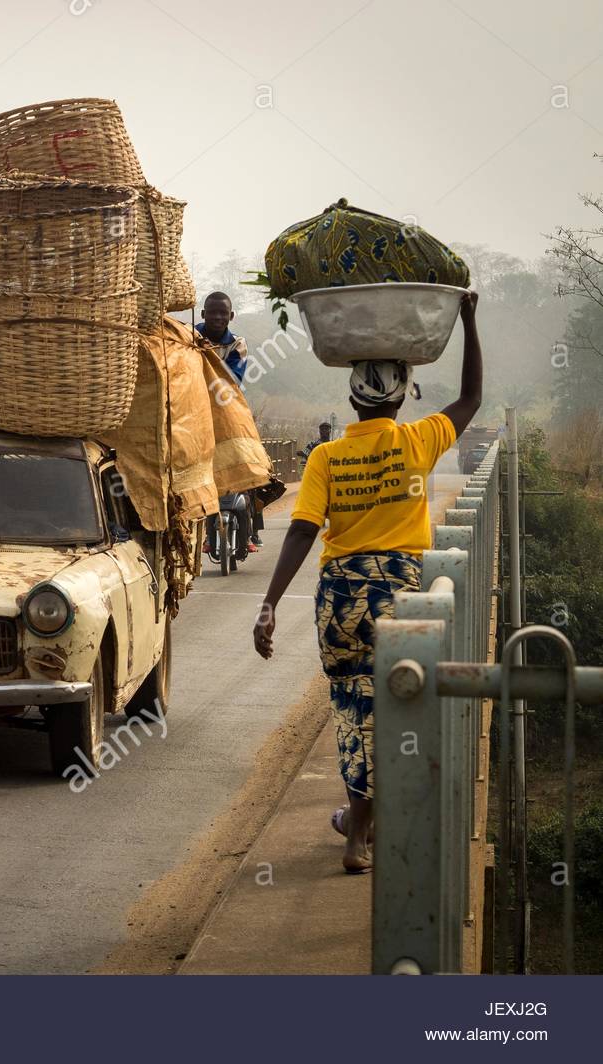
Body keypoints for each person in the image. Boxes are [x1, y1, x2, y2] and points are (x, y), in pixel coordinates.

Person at [251, 290, 482, 874]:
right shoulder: (418, 439)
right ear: (402, 396)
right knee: (395, 705)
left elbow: (302, 531)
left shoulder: (326, 457)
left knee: (353, 709)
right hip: (397, 593)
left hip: (339, 596)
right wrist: (469, 321)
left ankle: (358, 830)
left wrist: (269, 604)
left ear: (352, 399)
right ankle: (366, 829)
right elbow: (471, 397)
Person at [196, 291, 264, 550]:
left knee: (250, 464)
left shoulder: (237, 343)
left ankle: (250, 532)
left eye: (223, 313)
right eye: (212, 312)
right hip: (196, 410)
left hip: (229, 410)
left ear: (231, 316)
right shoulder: (189, 335)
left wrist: (203, 357)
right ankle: (203, 534)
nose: (217, 317)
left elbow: (232, 379)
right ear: (203, 314)